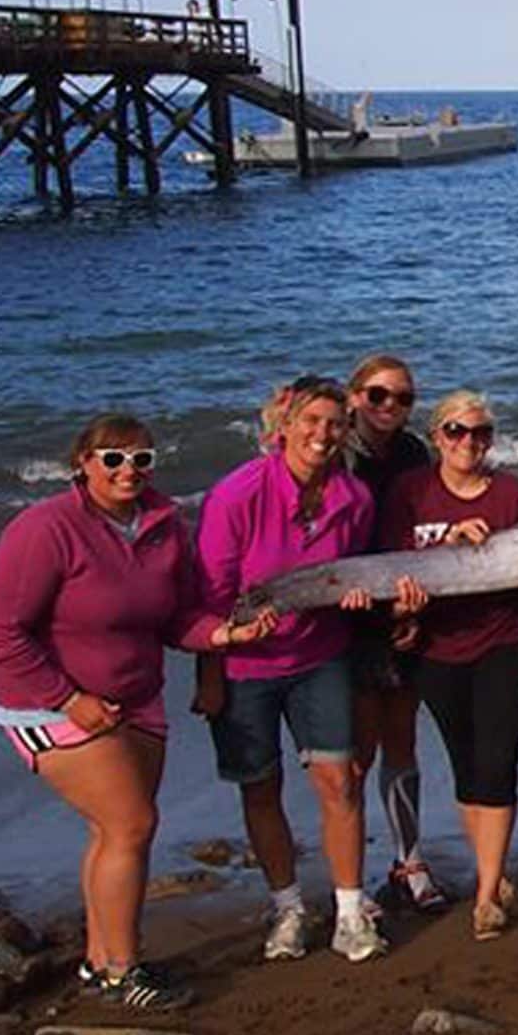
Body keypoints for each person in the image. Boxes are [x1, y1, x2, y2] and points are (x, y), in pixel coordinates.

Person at [0, 415, 276, 1009]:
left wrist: (225, 636)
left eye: (141, 459)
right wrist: (69, 701)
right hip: (49, 704)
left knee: (112, 831)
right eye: (113, 458)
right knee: (130, 825)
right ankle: (122, 972)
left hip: (136, 699)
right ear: (82, 464)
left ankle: (99, 961)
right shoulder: (46, 527)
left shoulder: (164, 526)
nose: (128, 471)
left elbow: (176, 619)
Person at [194, 374, 385, 964]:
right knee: (260, 787)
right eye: (311, 421)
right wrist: (209, 675)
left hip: (320, 656)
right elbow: (210, 594)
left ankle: (350, 914)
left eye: (335, 424)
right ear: (285, 425)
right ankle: (288, 908)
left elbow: (353, 573)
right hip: (244, 663)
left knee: (340, 781)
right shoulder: (237, 494)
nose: (322, 434)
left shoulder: (355, 499)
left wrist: (357, 598)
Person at [379, 391, 518, 940]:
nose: (468, 442)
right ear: (436, 436)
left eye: (480, 433)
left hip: (504, 643)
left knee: (497, 764)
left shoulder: (514, 496)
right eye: (456, 430)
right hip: (436, 648)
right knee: (467, 765)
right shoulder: (409, 492)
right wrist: (444, 551)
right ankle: (496, 879)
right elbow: (390, 567)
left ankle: (486, 895)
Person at [343, 353, 448, 913]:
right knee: (356, 750)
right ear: (355, 396)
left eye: (403, 397)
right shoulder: (337, 450)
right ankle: (351, 880)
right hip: (347, 611)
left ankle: (409, 861)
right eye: (379, 395)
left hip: (403, 602)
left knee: (401, 738)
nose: (391, 405)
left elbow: (420, 530)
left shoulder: (411, 452)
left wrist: (410, 614)